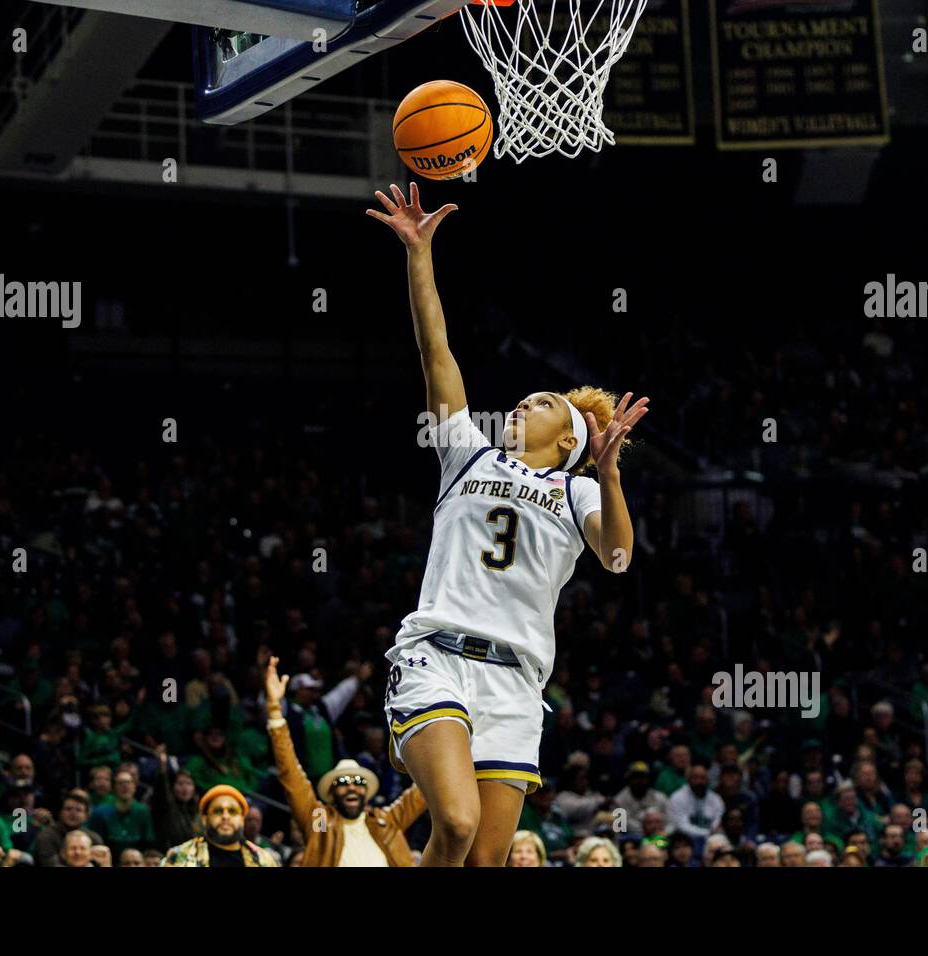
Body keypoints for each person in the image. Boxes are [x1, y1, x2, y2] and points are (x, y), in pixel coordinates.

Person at [367, 182, 647, 868]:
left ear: (570, 440)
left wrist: (610, 478)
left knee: (486, 861)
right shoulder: (466, 453)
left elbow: (617, 559)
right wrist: (418, 256)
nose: (523, 403)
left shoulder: (578, 489)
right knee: (455, 826)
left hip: (517, 683)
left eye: (542, 401)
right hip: (438, 657)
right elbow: (438, 355)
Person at [265, 657, 427, 866]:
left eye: (358, 783)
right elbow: (292, 778)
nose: (351, 786)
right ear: (331, 794)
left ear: (366, 793)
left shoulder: (385, 821)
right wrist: (275, 711)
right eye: (343, 783)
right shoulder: (322, 823)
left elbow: (424, 790)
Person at [161, 784, 280, 867]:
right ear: (204, 819)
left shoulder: (263, 860)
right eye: (218, 811)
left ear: (242, 819)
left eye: (232, 811)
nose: (226, 816)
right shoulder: (179, 855)